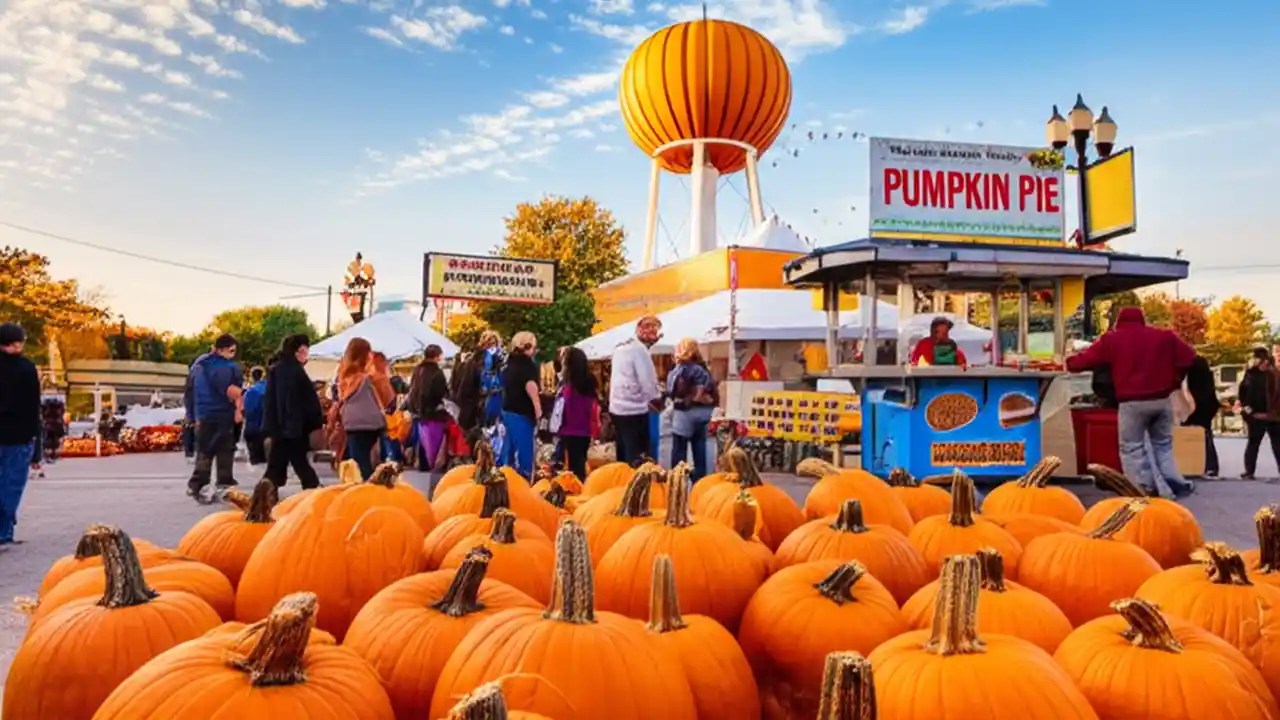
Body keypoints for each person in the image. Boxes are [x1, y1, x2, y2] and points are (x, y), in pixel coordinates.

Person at [1066, 306, 1196, 498]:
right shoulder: (1165, 337)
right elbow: (1189, 357)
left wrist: (1069, 362)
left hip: (1132, 403)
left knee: (1131, 448)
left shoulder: (1112, 339)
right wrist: (1175, 381)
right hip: (1162, 400)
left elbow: (1084, 360)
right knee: (1163, 445)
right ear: (1142, 320)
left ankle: (1143, 488)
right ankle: (1176, 481)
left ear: (1119, 321)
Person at [186, 333, 245, 501]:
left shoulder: (197, 366)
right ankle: (224, 485)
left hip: (203, 415)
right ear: (224, 349)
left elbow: (189, 393)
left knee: (204, 451)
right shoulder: (229, 367)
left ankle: (198, 485)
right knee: (225, 451)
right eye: (232, 350)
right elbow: (231, 391)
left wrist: (191, 415)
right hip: (222, 414)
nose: (233, 354)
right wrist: (241, 405)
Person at [262, 334, 324, 490]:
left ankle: (266, 493)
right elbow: (291, 401)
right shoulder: (292, 370)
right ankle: (312, 489)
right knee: (296, 462)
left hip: (282, 426)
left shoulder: (279, 368)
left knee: (279, 464)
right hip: (291, 427)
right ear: (300, 350)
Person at [0, 323, 39, 546]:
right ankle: (3, 531)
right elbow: (32, 406)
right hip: (18, 436)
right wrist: (37, 443)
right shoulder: (25, 368)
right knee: (10, 485)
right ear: (16, 343)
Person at [336, 337, 395, 480]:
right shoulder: (372, 377)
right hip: (372, 423)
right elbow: (389, 399)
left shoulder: (343, 377)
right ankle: (368, 491)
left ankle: (357, 489)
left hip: (351, 423)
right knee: (366, 462)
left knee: (355, 460)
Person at [609, 316, 663, 464]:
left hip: (616, 407)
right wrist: (656, 398)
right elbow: (647, 380)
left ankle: (622, 480)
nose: (655, 336)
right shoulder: (639, 350)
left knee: (623, 450)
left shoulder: (620, 348)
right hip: (634, 409)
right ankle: (636, 482)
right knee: (637, 455)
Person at [667, 338, 719, 482]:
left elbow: (670, 391)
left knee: (679, 449)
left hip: (683, 413)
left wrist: (689, 399)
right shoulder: (701, 369)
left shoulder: (676, 370)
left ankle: (677, 481)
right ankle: (699, 482)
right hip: (703, 413)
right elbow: (708, 387)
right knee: (699, 447)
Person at [406, 344, 452, 478]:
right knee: (434, 444)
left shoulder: (417, 370)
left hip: (418, 412)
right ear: (437, 356)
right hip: (434, 413)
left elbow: (412, 391)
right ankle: (433, 466)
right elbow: (441, 392)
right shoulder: (436, 372)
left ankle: (423, 464)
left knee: (422, 440)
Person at [553, 347, 599, 481]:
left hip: (568, 427)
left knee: (571, 463)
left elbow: (564, 406)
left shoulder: (567, 383)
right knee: (580, 460)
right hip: (584, 428)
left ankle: (575, 489)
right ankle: (581, 485)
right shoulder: (589, 381)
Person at [501, 331, 542, 480]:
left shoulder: (508, 362)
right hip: (522, 412)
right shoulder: (528, 365)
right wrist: (538, 410)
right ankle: (523, 481)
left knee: (509, 448)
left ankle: (504, 478)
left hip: (507, 409)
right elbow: (530, 386)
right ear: (530, 346)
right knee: (525, 450)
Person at [1238, 347, 1280, 480]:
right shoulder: (1251, 374)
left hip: (1273, 415)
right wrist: (1247, 411)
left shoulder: (1274, 375)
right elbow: (1243, 394)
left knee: (1277, 444)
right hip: (1257, 415)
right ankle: (1249, 471)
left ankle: (1249, 471)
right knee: (1253, 443)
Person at [1182, 355, 1220, 478]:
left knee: (1189, 437)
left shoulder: (1188, 376)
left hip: (1192, 407)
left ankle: (1191, 466)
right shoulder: (1207, 377)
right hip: (1205, 407)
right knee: (1206, 436)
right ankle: (1210, 466)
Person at [241, 364, 270, 467]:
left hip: (253, 428)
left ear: (252, 377)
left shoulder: (250, 392)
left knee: (256, 461)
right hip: (269, 428)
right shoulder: (271, 389)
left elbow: (245, 411)